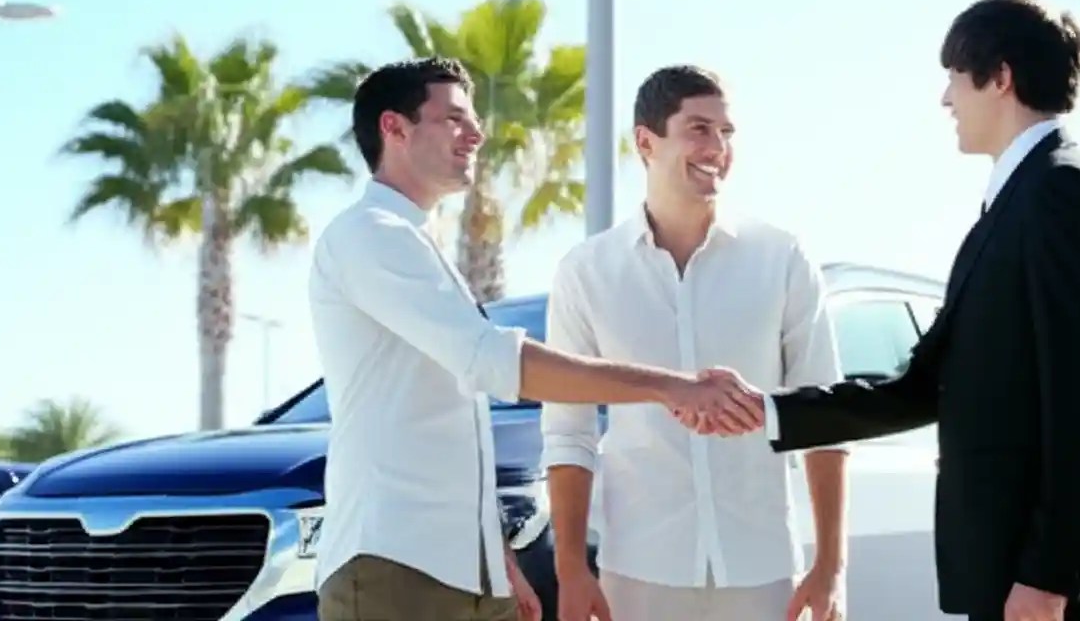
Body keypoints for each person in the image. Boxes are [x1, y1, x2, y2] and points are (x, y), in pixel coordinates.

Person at [684, 0, 1080, 621]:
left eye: (955, 78)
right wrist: (765, 410)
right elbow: (922, 388)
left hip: (1045, 594)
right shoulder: (1016, 203)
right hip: (1007, 581)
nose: (946, 99)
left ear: (1000, 78)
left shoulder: (1063, 191)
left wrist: (1049, 578)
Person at [308, 56, 765, 621]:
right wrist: (673, 388)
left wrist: (495, 558)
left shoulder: (416, 246)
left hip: (461, 573)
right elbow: (496, 362)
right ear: (394, 127)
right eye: (452, 118)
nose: (475, 133)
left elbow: (448, 428)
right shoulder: (368, 235)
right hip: (393, 570)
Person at [541, 65, 849, 621]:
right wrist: (570, 570)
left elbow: (825, 416)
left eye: (727, 133)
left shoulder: (781, 258)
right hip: (636, 572)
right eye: (699, 129)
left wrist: (830, 565)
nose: (718, 148)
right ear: (645, 142)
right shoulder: (587, 272)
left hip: (762, 570)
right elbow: (568, 434)